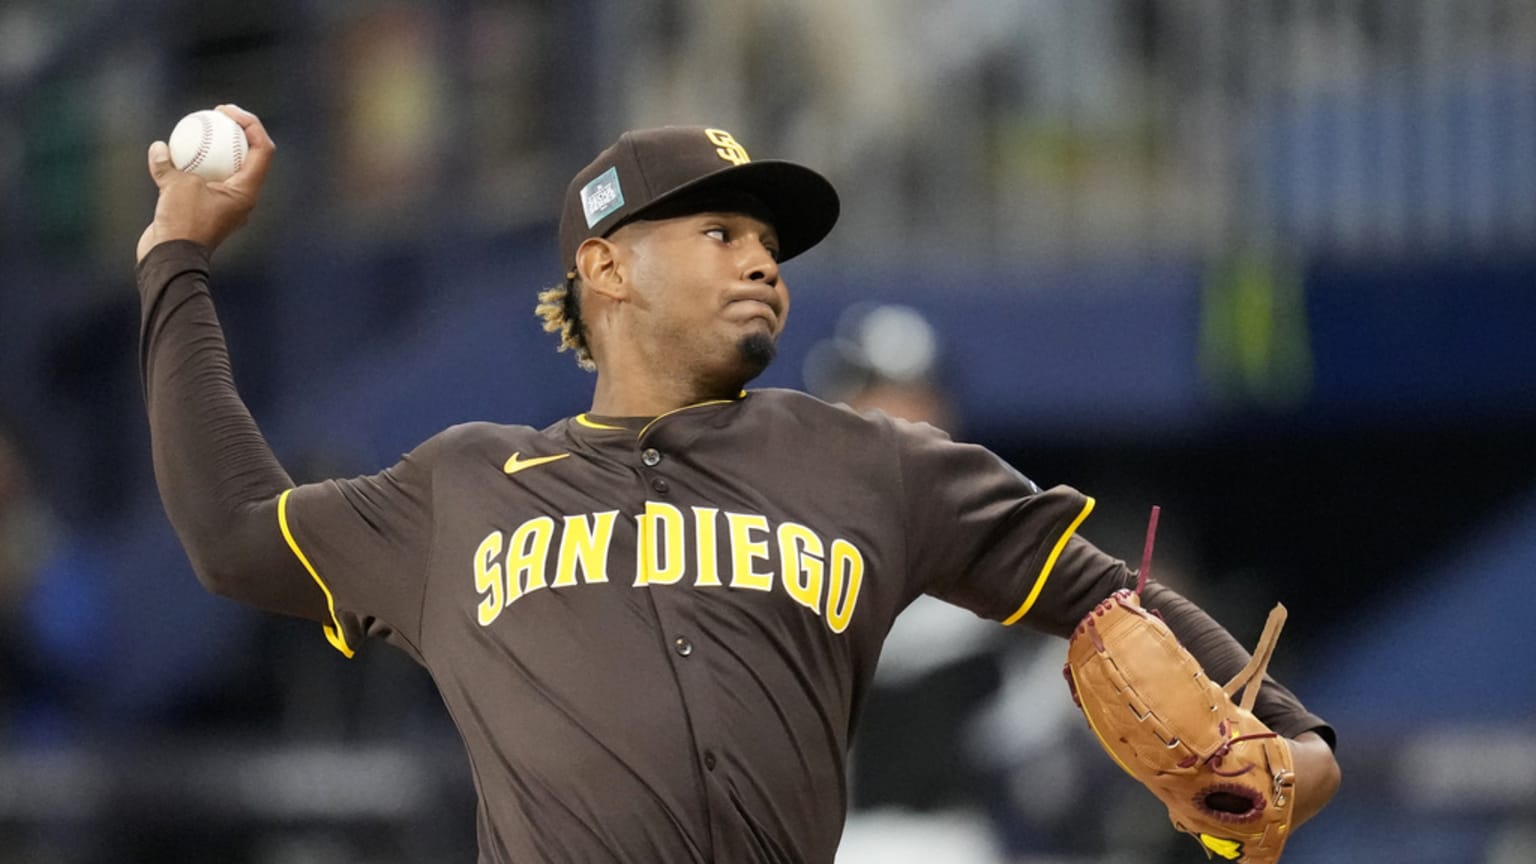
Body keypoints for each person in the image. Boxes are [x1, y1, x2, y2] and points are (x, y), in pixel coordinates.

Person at [135, 106, 1339, 863]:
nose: (764, 257)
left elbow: (1101, 593)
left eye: (770, 242)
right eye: (719, 231)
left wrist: (1295, 736)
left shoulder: (867, 462)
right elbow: (236, 531)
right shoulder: (465, 487)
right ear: (606, 267)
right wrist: (174, 259)